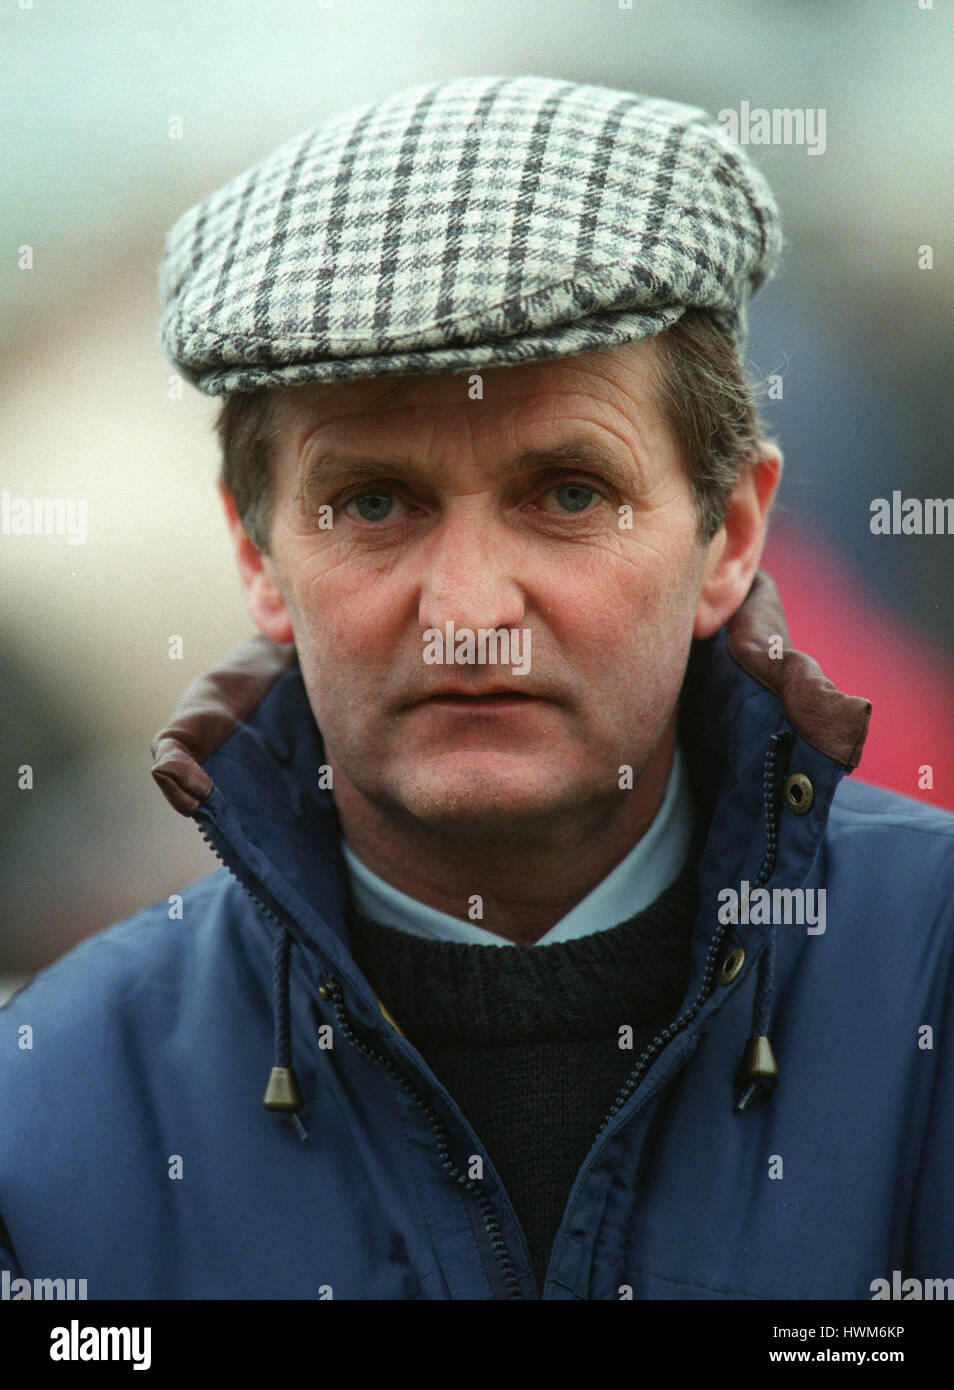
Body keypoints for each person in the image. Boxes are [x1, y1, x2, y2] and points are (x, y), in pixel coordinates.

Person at [2, 75, 952, 1302]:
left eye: (565, 493)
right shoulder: (49, 1120)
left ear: (730, 534)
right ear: (257, 558)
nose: (468, 613)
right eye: (375, 504)